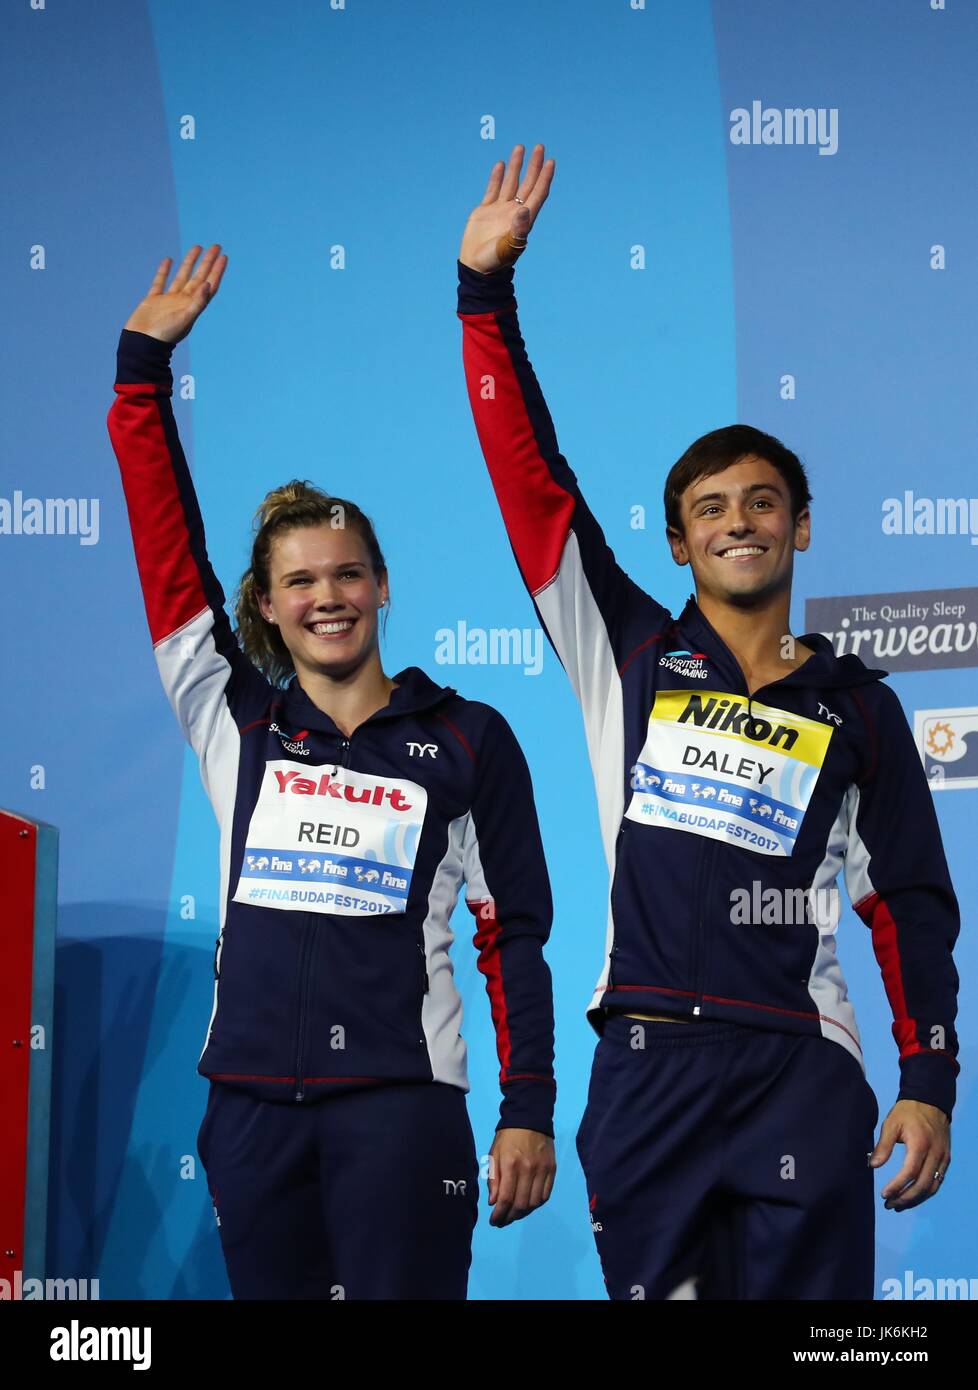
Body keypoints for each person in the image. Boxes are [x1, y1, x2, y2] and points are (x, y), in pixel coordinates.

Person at [455, 144, 959, 1300]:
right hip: (648, 1064)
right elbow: (532, 484)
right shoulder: (624, 648)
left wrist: (928, 1077)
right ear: (678, 542)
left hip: (802, 1063)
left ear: (802, 529)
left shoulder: (860, 708)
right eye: (712, 509)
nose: (741, 523)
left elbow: (911, 907)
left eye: (764, 503)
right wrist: (485, 297)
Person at [106, 243, 557, 1300]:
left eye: (348, 571)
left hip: (403, 1107)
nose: (327, 594)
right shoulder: (236, 721)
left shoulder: (469, 739)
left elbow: (513, 935)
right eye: (299, 579)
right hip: (250, 1112)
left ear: (384, 584)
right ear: (264, 604)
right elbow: (167, 556)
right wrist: (140, 374)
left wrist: (526, 1104)